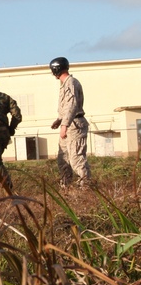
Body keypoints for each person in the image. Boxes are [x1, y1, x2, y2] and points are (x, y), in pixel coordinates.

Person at [49, 57, 93, 189]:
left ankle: (86, 187)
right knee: (63, 160)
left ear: (56, 69)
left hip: (74, 126)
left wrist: (65, 125)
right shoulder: (65, 84)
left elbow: (72, 105)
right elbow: (67, 106)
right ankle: (66, 188)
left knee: (76, 159)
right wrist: (59, 120)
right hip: (68, 123)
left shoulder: (71, 83)